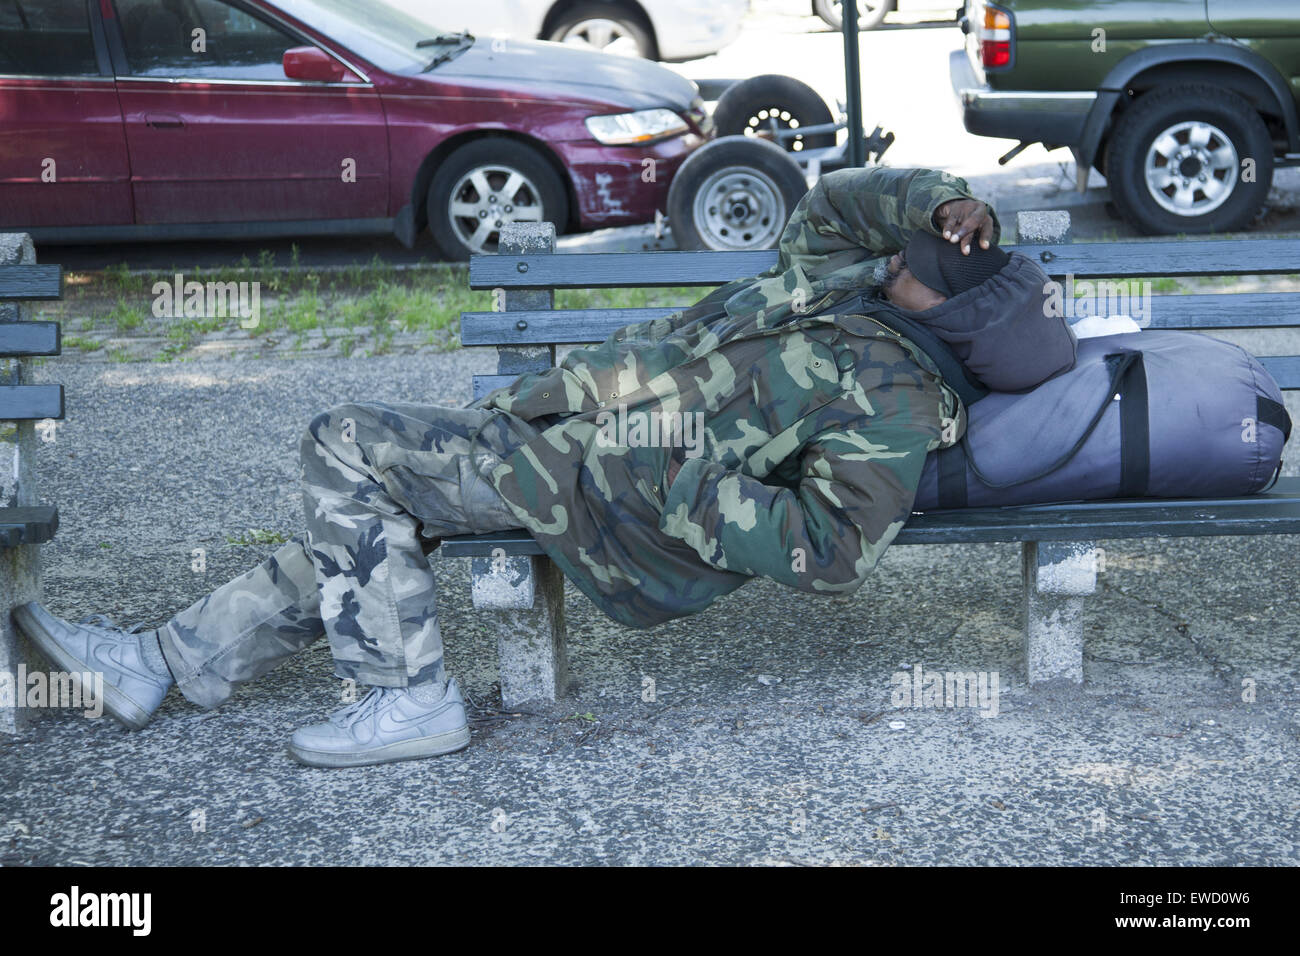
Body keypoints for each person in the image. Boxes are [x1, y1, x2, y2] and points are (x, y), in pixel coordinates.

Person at [12, 166, 1075, 768]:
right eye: (919, 245)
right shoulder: (844, 287)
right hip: (570, 441)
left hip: (619, 505)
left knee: (346, 439)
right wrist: (934, 197)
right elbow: (830, 207)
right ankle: (162, 660)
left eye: (922, 261)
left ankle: (408, 695)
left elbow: (832, 547)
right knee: (372, 518)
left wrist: (682, 472)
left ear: (950, 306)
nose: (899, 257)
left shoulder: (895, 398)